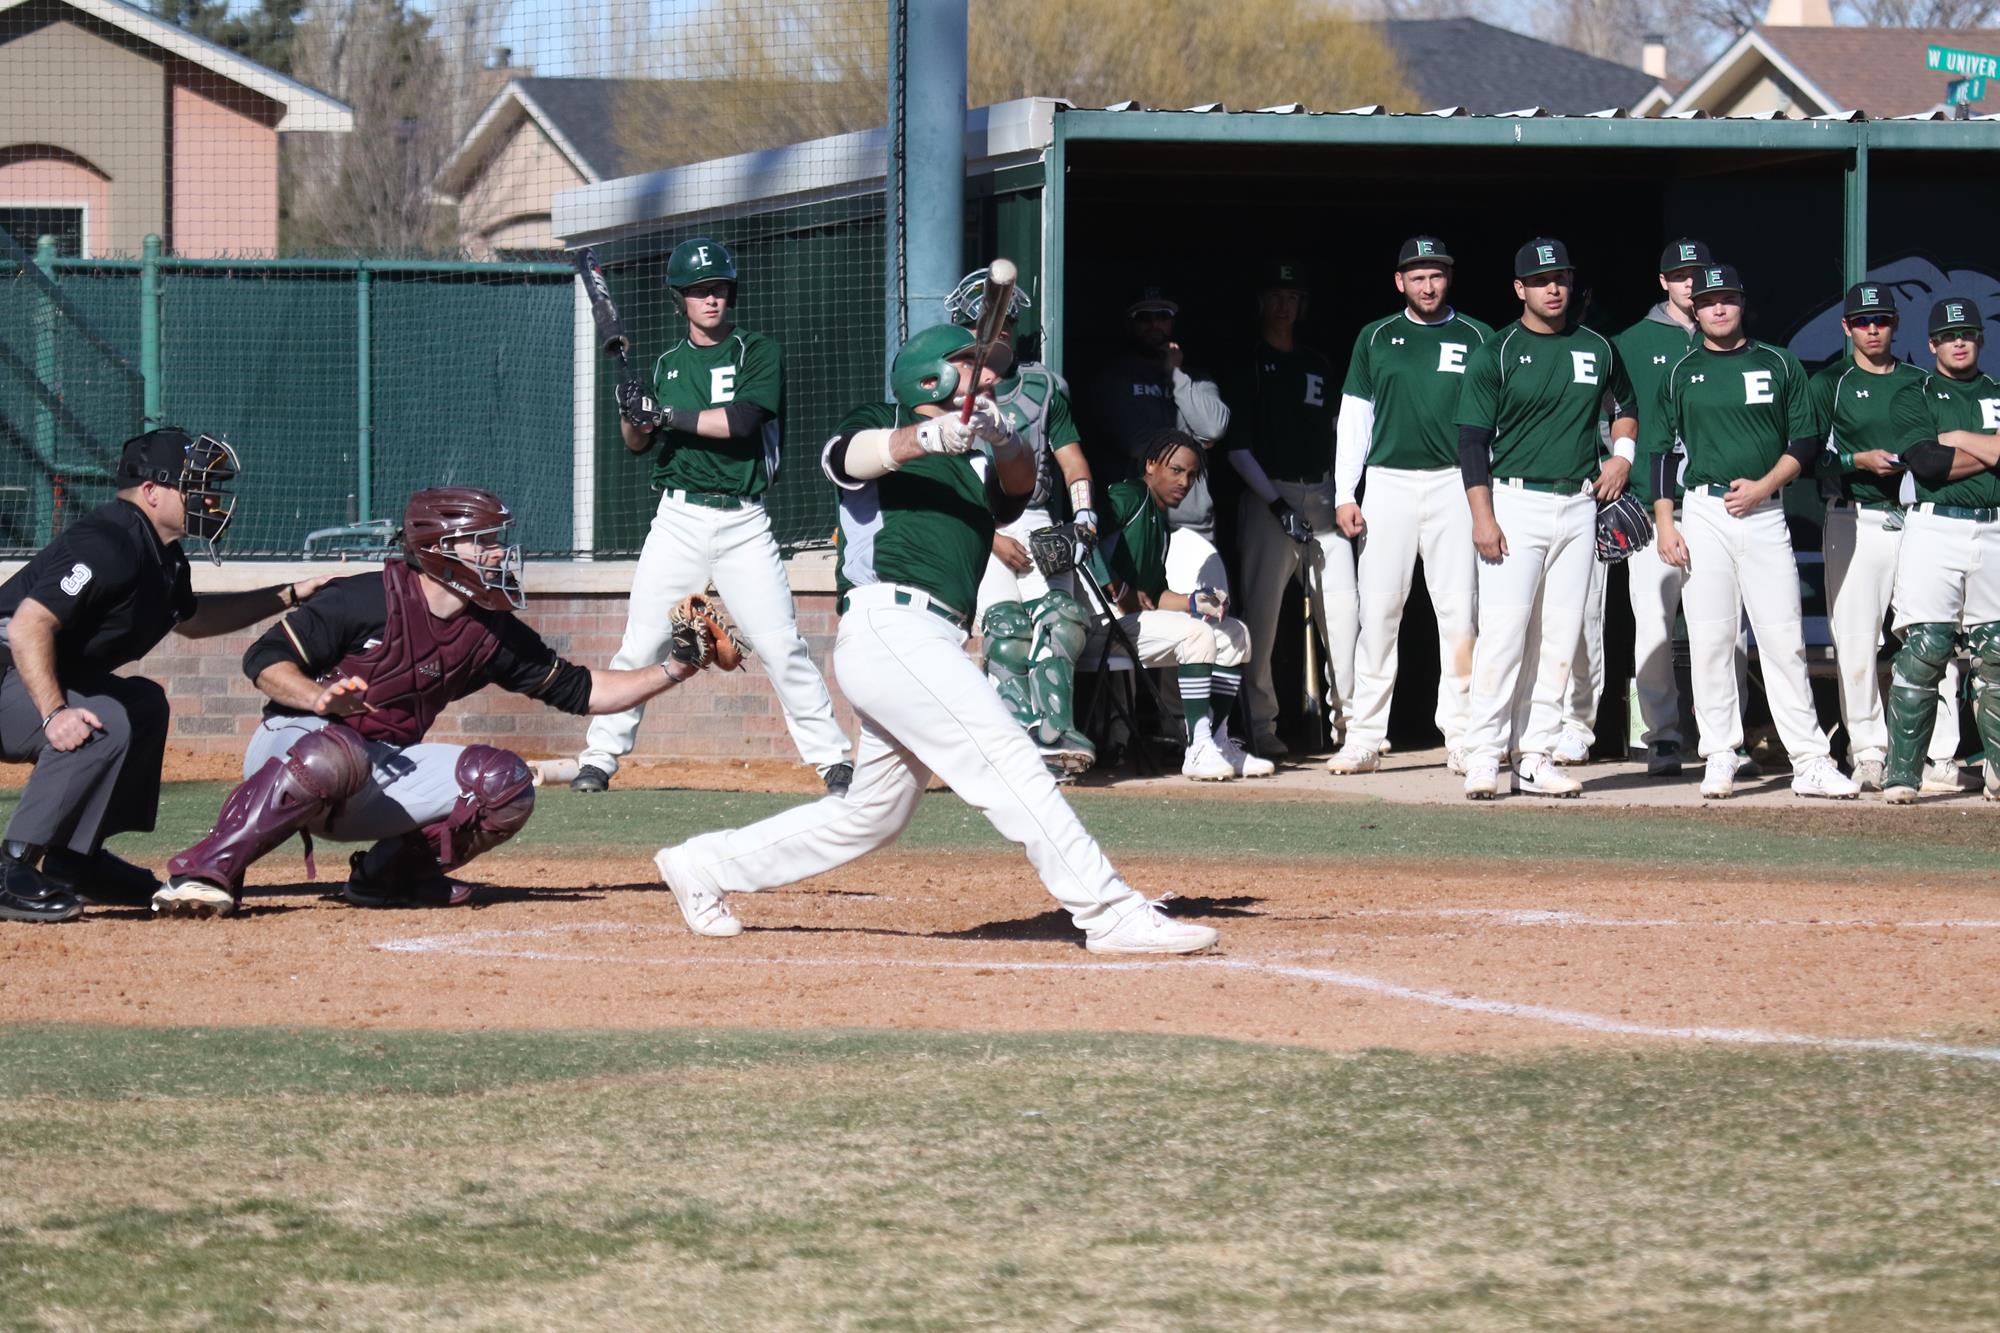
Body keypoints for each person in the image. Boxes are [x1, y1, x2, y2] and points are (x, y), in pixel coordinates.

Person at [652, 325, 1218, 955]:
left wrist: (1003, 437)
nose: (991, 377)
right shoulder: (879, 419)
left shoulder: (973, 463)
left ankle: (704, 865)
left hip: (930, 640)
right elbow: (850, 456)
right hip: (891, 625)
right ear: (931, 375)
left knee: (871, 814)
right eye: (972, 366)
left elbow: (1016, 488)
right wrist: (928, 436)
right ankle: (1108, 911)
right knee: (1008, 756)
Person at [152, 487, 729, 918]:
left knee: (503, 784)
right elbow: (264, 660)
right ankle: (205, 871)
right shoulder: (364, 596)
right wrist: (320, 698)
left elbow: (587, 692)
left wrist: (680, 664)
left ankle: (387, 877)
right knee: (337, 751)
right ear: (441, 548)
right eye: (485, 542)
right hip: (293, 750)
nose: (499, 555)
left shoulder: (490, 630)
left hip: (376, 768)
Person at [572, 237, 851, 796]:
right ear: (681, 300)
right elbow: (637, 444)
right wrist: (634, 410)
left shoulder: (759, 351)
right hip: (678, 519)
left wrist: (665, 413)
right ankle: (598, 759)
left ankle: (833, 762)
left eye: (719, 289)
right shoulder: (666, 364)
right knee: (642, 643)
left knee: (779, 644)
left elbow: (744, 422)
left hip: (745, 523)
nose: (712, 300)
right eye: (699, 292)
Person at [0, 427, 303, 923]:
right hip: (6, 672)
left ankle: (75, 861)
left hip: (18, 678)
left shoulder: (161, 556)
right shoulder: (108, 542)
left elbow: (196, 620)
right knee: (105, 721)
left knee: (142, 705)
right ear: (150, 491)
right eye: (194, 485)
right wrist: (54, 713)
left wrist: (291, 594)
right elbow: (30, 624)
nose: (208, 497)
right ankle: (11, 867)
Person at [1649, 265, 1859, 800]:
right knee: (1712, 638)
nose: (1719, 309)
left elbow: (1806, 443)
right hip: (1703, 510)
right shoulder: (1679, 369)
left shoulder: (1779, 362)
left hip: (1764, 513)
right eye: (1710, 301)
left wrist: (1764, 486)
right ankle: (1720, 752)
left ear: (1743, 304)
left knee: (1782, 637)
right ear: (1695, 310)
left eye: (1729, 300)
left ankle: (1810, 760)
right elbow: (1659, 451)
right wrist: (1666, 522)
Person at [1456, 238, 1637, 800]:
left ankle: (1534, 754)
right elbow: (1471, 442)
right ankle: (1485, 752)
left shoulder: (1598, 347)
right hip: (1514, 500)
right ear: (1520, 289)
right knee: (1504, 635)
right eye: (1540, 280)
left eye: (1560, 278)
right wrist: (1482, 517)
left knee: (1562, 636)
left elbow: (1626, 407)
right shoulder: (1498, 349)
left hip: (1579, 502)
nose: (1553, 288)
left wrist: (1623, 459)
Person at [1329, 237, 1491, 776]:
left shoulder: (1478, 336)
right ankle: (1365, 737)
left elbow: (1495, 421)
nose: (1428, 285)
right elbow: (1355, 417)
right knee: (1377, 612)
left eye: (1436, 275)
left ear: (1449, 278)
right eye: (1417, 276)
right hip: (1388, 481)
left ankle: (1464, 736)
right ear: (1400, 281)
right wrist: (1345, 492)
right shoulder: (1375, 336)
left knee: (1459, 613)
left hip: (1455, 484)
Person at [1811, 282, 1961, 792]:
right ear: (1846, 327)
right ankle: (1869, 750)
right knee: (1856, 642)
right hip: (1855, 515)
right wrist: (1857, 459)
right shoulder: (1830, 381)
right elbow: (1808, 457)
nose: (1873, 329)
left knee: (1929, 634)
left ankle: (1938, 754)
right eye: (1863, 321)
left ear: (1897, 325)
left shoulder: (1922, 380)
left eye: (1883, 320)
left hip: (1920, 518)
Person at [948, 267, 1098, 777]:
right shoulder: (946, 385)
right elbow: (940, 477)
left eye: (1006, 320)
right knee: (1006, 631)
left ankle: (1056, 735)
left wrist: (1083, 518)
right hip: (975, 522)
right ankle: (1013, 747)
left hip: (1035, 516)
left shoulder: (1041, 386)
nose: (998, 330)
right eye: (986, 321)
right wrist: (991, 539)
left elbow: (1072, 460)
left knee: (1062, 618)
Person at [1227, 260, 1358, 760]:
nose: (1285, 306)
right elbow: (1237, 447)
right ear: (1262, 303)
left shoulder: (1317, 363)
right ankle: (1261, 727)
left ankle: (1352, 724)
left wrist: (1341, 490)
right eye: (1277, 296)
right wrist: (1276, 502)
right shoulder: (1250, 361)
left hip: (1321, 494)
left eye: (1293, 297)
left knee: (1345, 610)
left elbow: (1334, 434)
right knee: (1262, 620)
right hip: (1269, 496)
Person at [1093, 430, 1267, 781]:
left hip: (1136, 625)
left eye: (1190, 475)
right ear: (1151, 465)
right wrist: (1120, 587)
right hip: (1098, 624)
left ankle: (1216, 742)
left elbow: (1156, 595)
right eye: (1175, 470)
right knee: (1197, 635)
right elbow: (1085, 536)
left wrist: (1198, 601)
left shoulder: (1160, 520)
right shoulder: (1130, 493)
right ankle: (1197, 745)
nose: (1184, 481)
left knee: (1236, 633)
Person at [1880, 299, 2000, 804]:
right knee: (1926, 648)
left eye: (1968, 334)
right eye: (1949, 335)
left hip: (1994, 529)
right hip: (1935, 529)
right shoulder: (1915, 393)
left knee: (1995, 651)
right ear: (1931, 344)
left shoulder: (1996, 392)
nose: (1959, 341)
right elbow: (1927, 464)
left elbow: (1946, 451)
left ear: (1980, 340)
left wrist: (1960, 440)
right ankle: (1902, 775)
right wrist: (1992, 451)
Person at [1087, 285, 1233, 597]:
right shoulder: (1114, 377)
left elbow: (1214, 427)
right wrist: (1194, 442)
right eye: (1144, 317)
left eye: (1163, 316)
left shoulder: (1196, 378)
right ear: (1130, 323)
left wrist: (1177, 376)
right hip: (1137, 523)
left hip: (1192, 522)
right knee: (1142, 621)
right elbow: (1137, 444)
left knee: (1206, 617)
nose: (1155, 324)